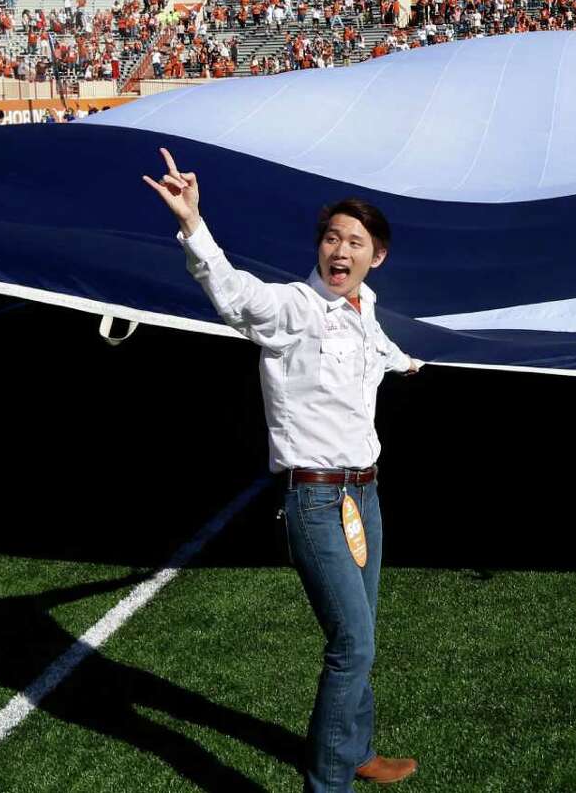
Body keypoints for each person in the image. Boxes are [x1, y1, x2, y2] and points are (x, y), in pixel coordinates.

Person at [143, 147, 422, 789]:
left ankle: (354, 750)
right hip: (317, 501)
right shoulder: (295, 307)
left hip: (365, 497)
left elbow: (382, 352)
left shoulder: (366, 311)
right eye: (332, 238)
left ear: (375, 256)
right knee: (350, 644)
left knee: (364, 636)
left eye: (355, 241)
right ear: (320, 248)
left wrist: (416, 362)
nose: (340, 251)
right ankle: (328, 782)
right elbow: (238, 298)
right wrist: (194, 225)